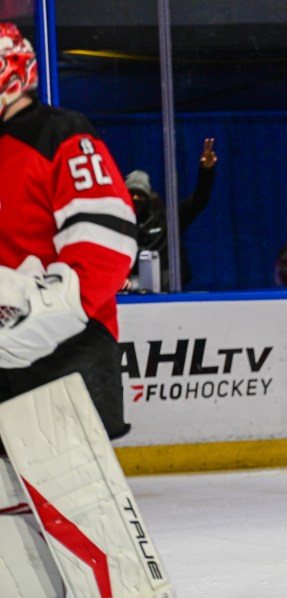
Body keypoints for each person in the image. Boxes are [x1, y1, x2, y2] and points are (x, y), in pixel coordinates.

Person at [0, 23, 168, 594]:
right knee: (10, 534)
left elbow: (106, 244)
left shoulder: (60, 134)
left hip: (63, 354)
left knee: (85, 522)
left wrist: (36, 317)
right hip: (4, 357)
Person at [122, 137, 217, 292]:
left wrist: (206, 171)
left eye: (140, 193)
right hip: (130, 294)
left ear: (149, 196)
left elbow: (199, 200)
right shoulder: (118, 225)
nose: (136, 198)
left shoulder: (168, 219)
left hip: (167, 293)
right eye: (131, 193)